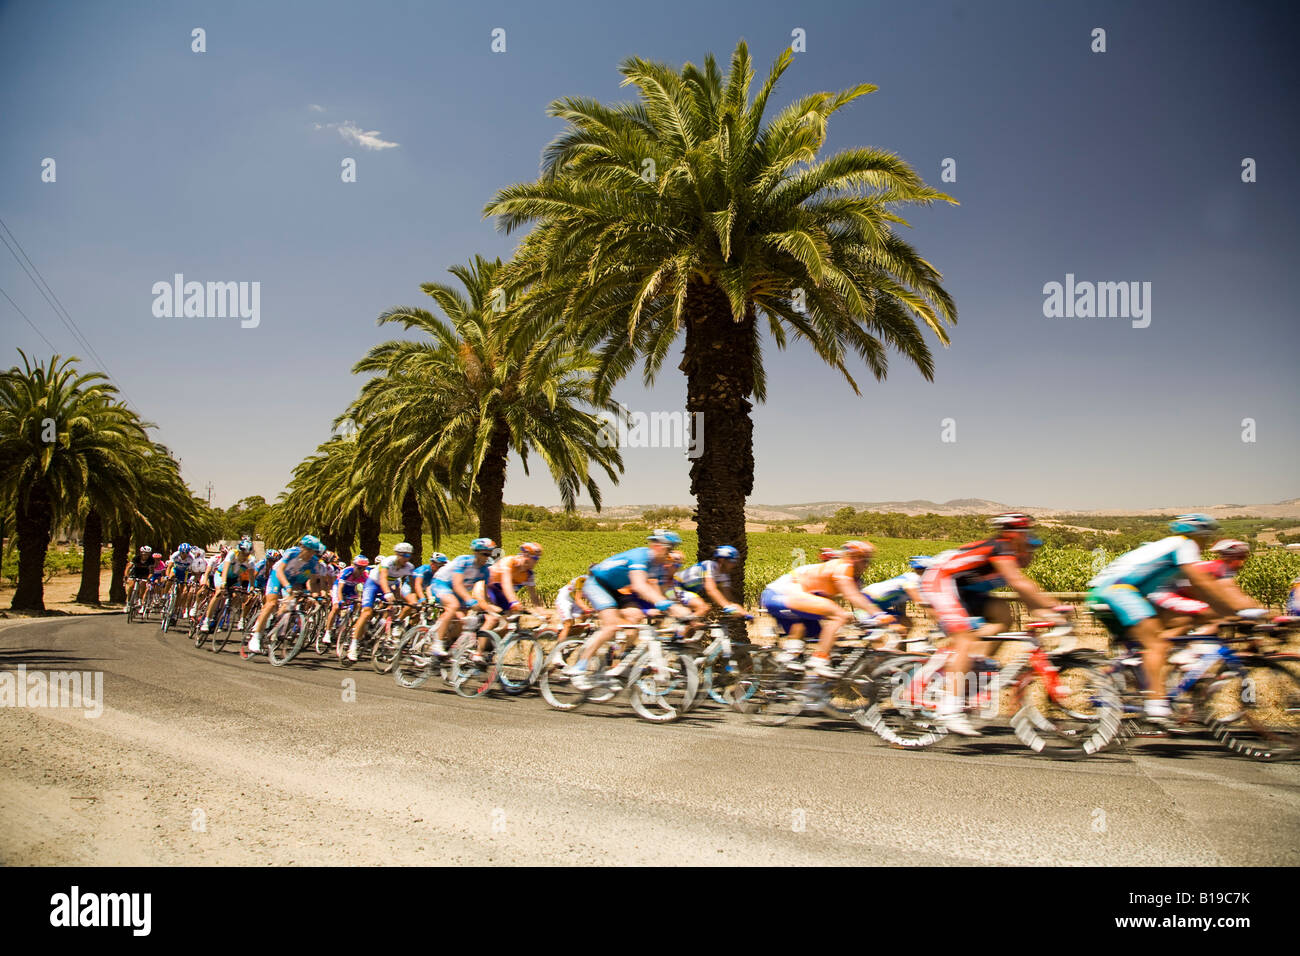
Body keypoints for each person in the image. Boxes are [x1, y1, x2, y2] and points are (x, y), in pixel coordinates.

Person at [1087, 515, 1265, 725]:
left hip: (1122, 592)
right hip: (1118, 590)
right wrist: (1239, 610)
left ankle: (1140, 672)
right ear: (1200, 535)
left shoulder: (1176, 545)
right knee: (1157, 643)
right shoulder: (1185, 545)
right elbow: (1202, 582)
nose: (1208, 541)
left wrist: (1228, 612)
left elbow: (1199, 589)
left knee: (1166, 636)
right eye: (1207, 536)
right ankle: (1156, 704)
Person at [920, 515, 1065, 736]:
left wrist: (1047, 615)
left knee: (1004, 615)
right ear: (1015, 538)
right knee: (965, 639)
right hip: (941, 580)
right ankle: (949, 709)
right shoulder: (1000, 549)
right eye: (1027, 544)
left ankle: (975, 665)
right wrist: (1057, 607)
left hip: (966, 590)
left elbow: (1029, 599)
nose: (1030, 554)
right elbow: (1019, 582)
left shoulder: (1011, 558)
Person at [566, 530, 691, 689]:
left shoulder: (659, 567)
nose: (670, 552)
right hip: (598, 584)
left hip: (617, 590)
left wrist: (676, 609)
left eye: (672, 548)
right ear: (657, 546)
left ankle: (617, 660)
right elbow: (639, 586)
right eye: (669, 548)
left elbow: (660, 593)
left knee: (636, 617)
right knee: (611, 626)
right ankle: (580, 667)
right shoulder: (640, 556)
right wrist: (668, 606)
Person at [759, 540, 892, 678]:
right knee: (838, 616)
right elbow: (852, 595)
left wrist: (866, 620)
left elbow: (859, 601)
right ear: (855, 557)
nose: (867, 565)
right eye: (865, 560)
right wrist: (878, 614)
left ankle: (790, 683)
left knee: (820, 636)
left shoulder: (851, 576)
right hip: (780, 594)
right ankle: (819, 659)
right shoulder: (843, 567)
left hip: (787, 600)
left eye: (869, 561)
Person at [246, 536, 325, 654]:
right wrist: (287, 587)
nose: (310, 554)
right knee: (271, 603)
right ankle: (256, 636)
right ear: (302, 547)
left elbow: (313, 582)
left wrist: (315, 596)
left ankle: (277, 624)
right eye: (308, 550)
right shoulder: (292, 553)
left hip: (294, 580)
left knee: (291, 605)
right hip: (278, 575)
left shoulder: (314, 563)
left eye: (313, 551)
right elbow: (280, 571)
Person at [348, 542, 417, 662]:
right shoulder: (388, 562)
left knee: (392, 609)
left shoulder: (409, 567)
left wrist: (416, 600)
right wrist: (387, 593)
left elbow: (412, 586)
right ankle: (353, 645)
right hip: (373, 584)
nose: (406, 558)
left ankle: (380, 626)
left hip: (390, 586)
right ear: (397, 554)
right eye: (403, 555)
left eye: (408, 556)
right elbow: (383, 578)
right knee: (367, 612)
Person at [429, 538, 497, 656]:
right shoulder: (463, 561)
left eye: (490, 554)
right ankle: (437, 643)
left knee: (463, 620)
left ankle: (447, 644)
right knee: (453, 605)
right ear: (475, 552)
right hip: (442, 583)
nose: (487, 557)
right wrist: (470, 600)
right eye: (485, 554)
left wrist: (489, 608)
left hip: (457, 591)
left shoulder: (485, 571)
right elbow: (457, 585)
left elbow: (485, 595)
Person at [673, 545, 745, 639]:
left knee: (694, 626)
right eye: (732, 561)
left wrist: (743, 612)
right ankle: (678, 637)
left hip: (689, 591)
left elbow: (728, 598)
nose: (734, 565)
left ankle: (684, 644)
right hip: (677, 586)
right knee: (703, 607)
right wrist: (727, 607)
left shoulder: (724, 575)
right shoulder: (708, 566)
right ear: (722, 560)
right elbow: (711, 589)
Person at [199, 539, 256, 633]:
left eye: (247, 554)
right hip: (221, 575)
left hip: (234, 579)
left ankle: (227, 610)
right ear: (240, 550)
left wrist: (252, 587)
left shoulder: (251, 560)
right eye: (243, 553)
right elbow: (225, 569)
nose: (245, 556)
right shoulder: (232, 554)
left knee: (237, 596)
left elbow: (251, 575)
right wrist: (223, 583)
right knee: (218, 593)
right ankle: (206, 621)